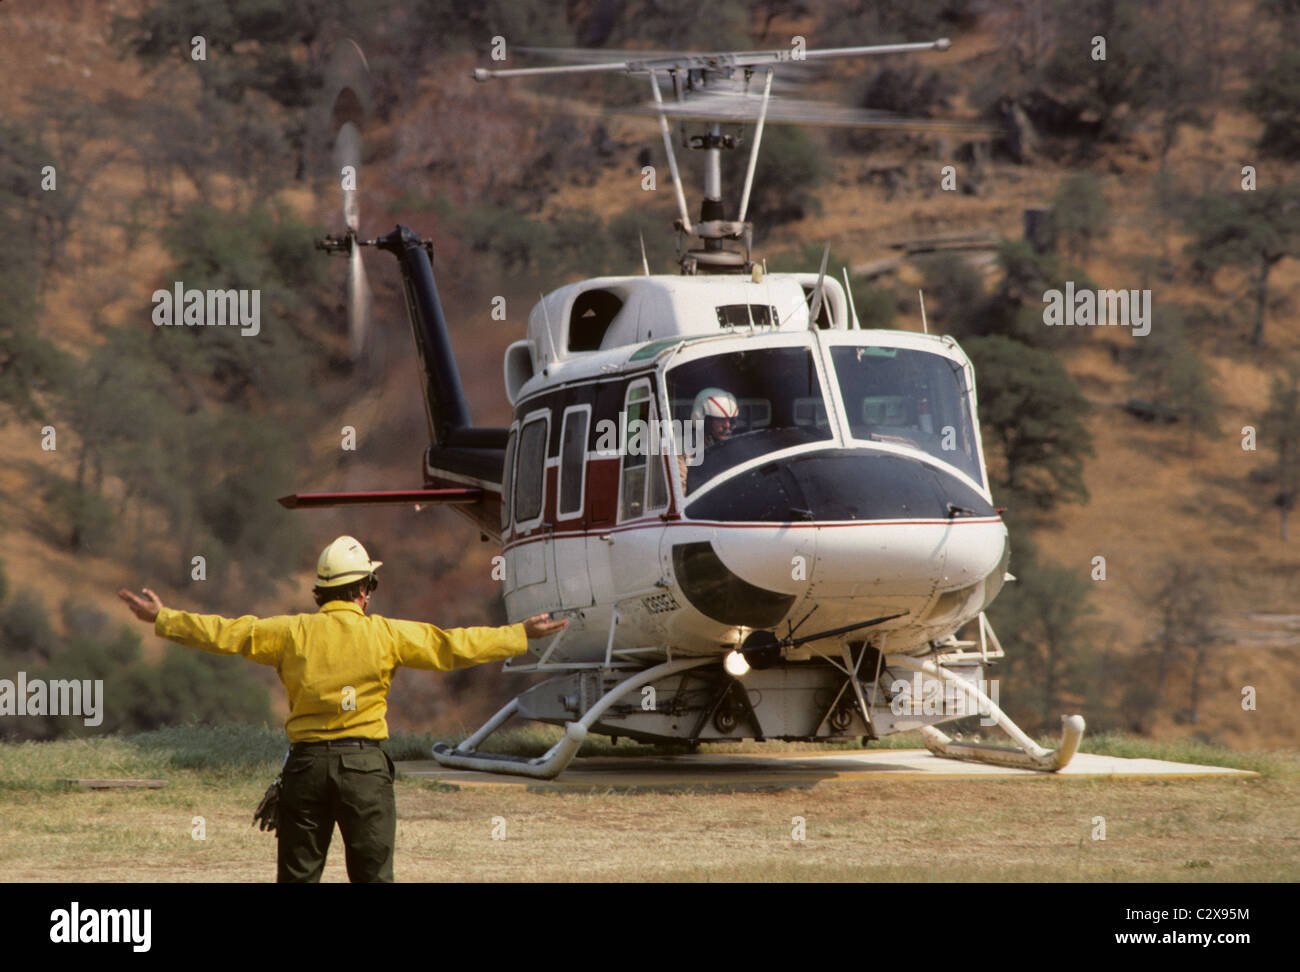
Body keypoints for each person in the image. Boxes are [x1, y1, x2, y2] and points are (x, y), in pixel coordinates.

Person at [116, 535, 567, 883]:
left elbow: (228, 633)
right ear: (365, 591)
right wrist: (520, 634)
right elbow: (452, 646)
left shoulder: (291, 633)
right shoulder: (385, 634)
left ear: (321, 592)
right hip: (365, 770)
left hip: (306, 768)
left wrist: (163, 618)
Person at [678, 386, 739, 494]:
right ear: (705, 421)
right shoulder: (683, 451)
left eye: (730, 420)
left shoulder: (734, 448)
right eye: (720, 419)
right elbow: (682, 493)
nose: (727, 425)